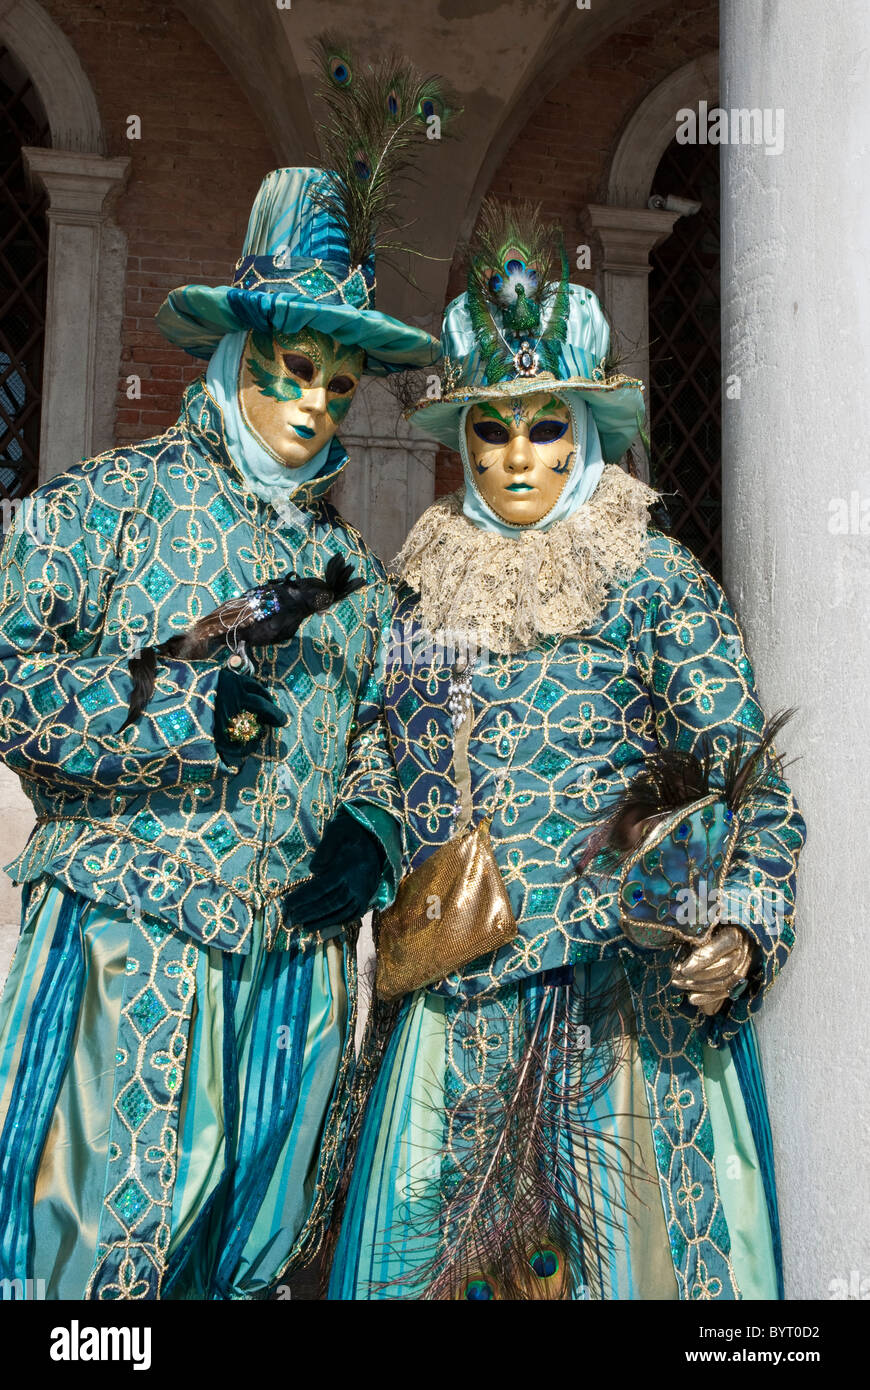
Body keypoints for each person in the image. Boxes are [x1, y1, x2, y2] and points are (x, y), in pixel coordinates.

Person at [0, 43, 445, 1300]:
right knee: (96, 1289)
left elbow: (383, 737)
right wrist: (186, 713)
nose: (311, 406)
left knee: (246, 1274)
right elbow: (7, 671)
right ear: (233, 354)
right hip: (130, 961)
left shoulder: (358, 568)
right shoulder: (111, 506)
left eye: (335, 381)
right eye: (287, 370)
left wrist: (366, 824)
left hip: (295, 981)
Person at [324, 200, 805, 1300]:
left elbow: (753, 793)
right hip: (464, 1002)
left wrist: (740, 926)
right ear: (461, 441)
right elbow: (387, 762)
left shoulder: (653, 581)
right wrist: (362, 829)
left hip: (626, 1011)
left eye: (545, 427)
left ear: (584, 431)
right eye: (492, 431)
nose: (519, 459)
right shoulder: (421, 591)